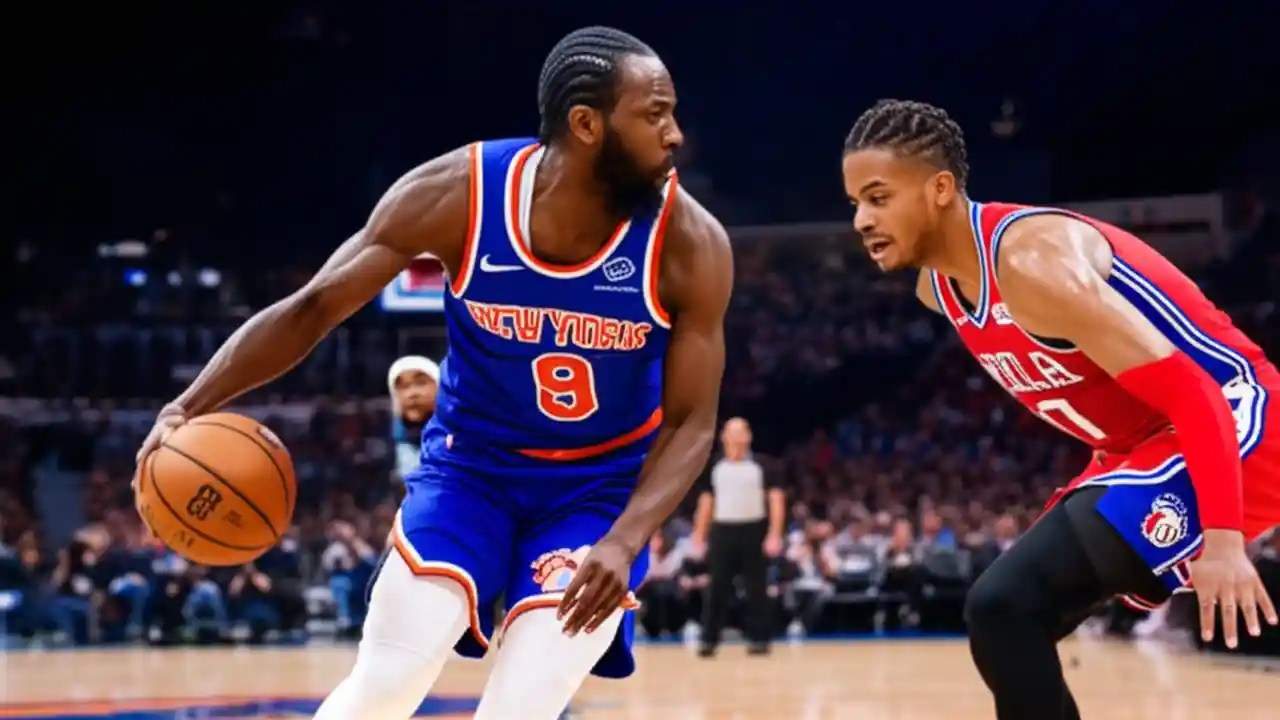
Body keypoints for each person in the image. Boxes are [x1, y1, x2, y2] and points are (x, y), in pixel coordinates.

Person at [133, 26, 732, 720]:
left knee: (519, 711)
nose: (676, 134)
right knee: (387, 682)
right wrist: (187, 404)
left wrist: (627, 538)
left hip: (596, 492)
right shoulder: (460, 195)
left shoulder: (690, 243)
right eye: (654, 113)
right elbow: (314, 308)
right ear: (587, 124)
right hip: (469, 471)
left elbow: (693, 421)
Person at [840, 98, 1280, 719]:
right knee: (1007, 612)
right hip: (1142, 445)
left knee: (1005, 605)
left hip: (1235, 420)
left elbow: (1195, 392)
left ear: (940, 189)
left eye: (879, 197)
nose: (861, 219)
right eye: (855, 202)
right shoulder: (936, 289)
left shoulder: (1034, 264)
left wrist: (1225, 542)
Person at [691, 416, 784, 655]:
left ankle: (760, 640)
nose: (736, 438)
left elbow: (776, 500)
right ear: (723, 437)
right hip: (723, 531)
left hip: (753, 530)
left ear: (749, 436)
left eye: (741, 432)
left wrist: (775, 534)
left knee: (757, 588)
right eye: (731, 432)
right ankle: (708, 640)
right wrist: (699, 536)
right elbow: (706, 502)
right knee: (717, 587)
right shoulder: (714, 467)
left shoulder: (763, 465)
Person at [387, 354, 439, 482]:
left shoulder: (460, 439)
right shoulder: (386, 451)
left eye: (421, 383)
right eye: (403, 387)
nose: (412, 394)